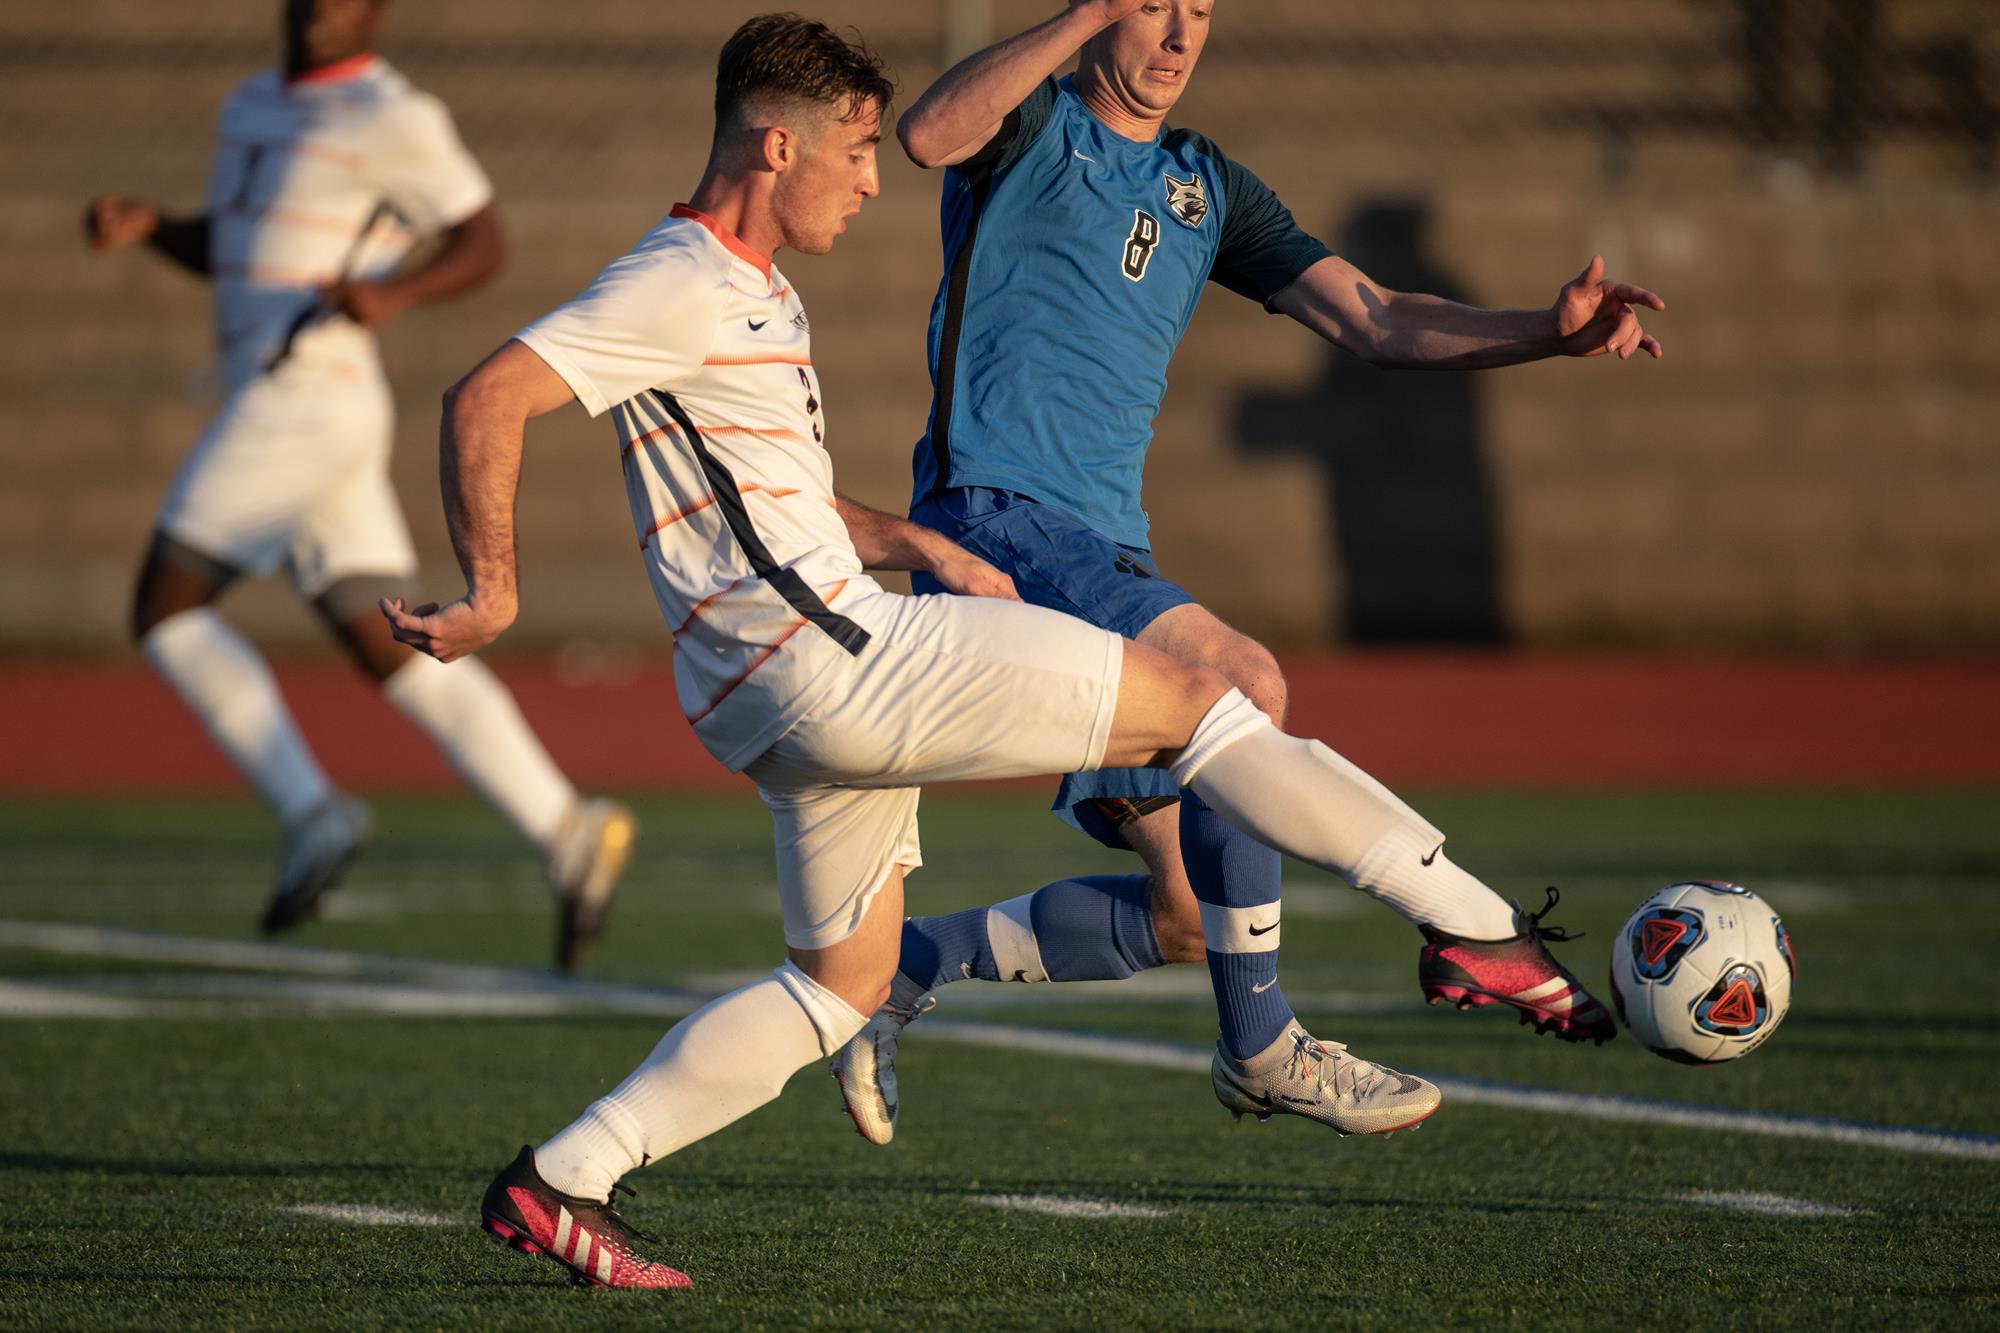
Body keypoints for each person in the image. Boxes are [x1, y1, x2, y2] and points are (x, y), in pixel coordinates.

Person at [375, 13, 1580, 1289]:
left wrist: (903, 538)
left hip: (782, 691)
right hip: (840, 657)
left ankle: (561, 1180)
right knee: (1217, 695)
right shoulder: (683, 276)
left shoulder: (756, 292)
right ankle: (1461, 928)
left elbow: (768, 493)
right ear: (776, 145)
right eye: (848, 152)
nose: (873, 178)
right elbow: (488, 394)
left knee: (843, 984)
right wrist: (492, 594)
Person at [832, 0, 1665, 1142]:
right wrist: (1081, 16)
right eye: (1152, 7)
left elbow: (1370, 316)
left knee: (1189, 912)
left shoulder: (1204, 185)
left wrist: (1544, 332)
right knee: (1238, 683)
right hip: (999, 527)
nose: (1176, 36)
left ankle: (906, 964)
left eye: (1198, 13)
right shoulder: (1027, 124)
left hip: (1106, 552)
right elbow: (926, 135)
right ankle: (1278, 1039)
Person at [85, 0, 634, 971]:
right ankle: (568, 828)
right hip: (288, 399)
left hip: (306, 396)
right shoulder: (254, 102)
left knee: (164, 606)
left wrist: (394, 292)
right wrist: (153, 228)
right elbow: (238, 247)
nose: (314, 7)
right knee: (387, 640)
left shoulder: (390, 112)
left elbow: (482, 240)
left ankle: (312, 812)